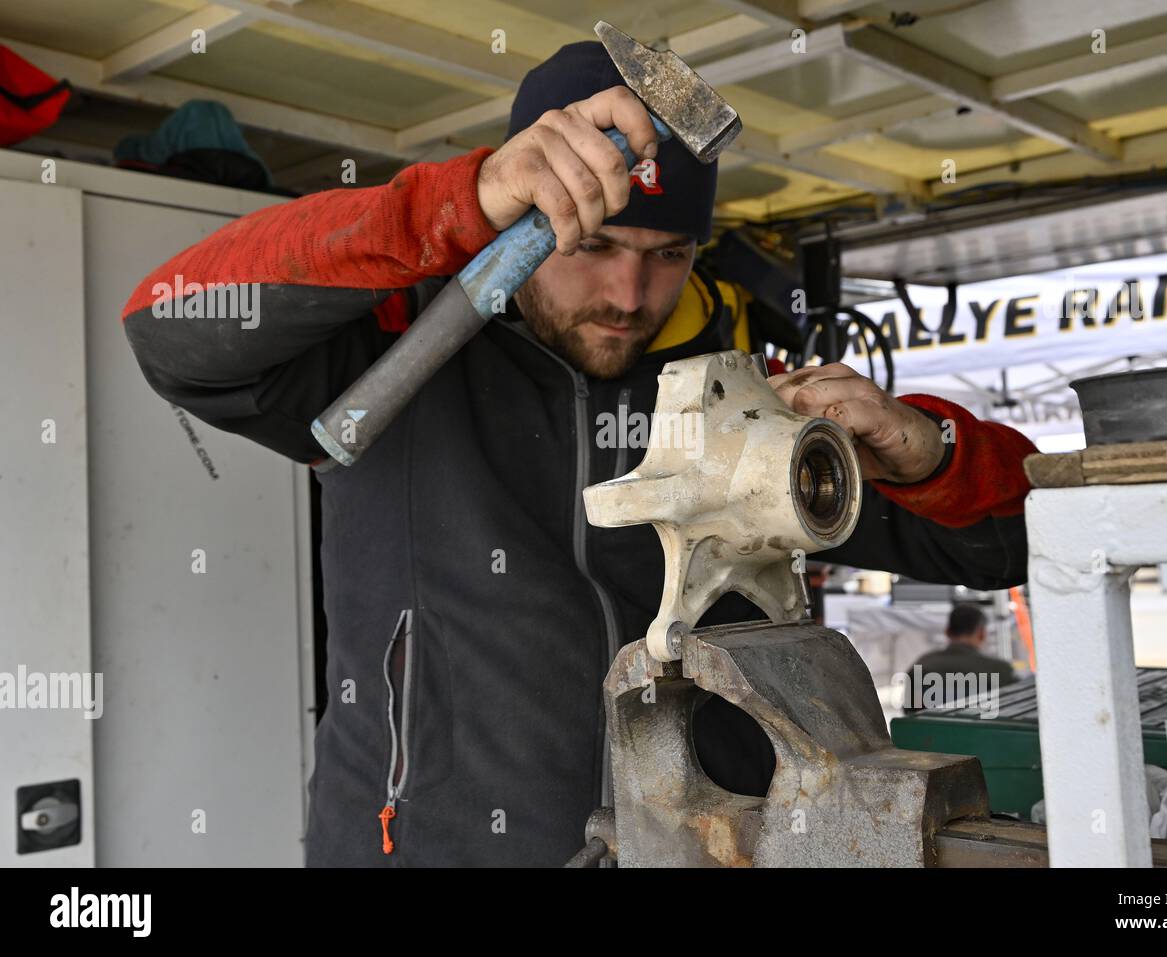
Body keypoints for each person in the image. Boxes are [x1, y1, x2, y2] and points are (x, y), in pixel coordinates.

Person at [120, 40, 1038, 866]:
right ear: (525, 216)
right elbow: (169, 325)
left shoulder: (740, 400)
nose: (628, 292)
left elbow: (1013, 542)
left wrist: (932, 455)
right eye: (593, 244)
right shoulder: (397, 356)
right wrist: (452, 204)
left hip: (701, 850)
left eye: (669, 252)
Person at [902, 603, 1019, 714]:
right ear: (982, 634)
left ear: (947, 632)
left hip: (929, 734)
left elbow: (909, 711)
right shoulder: (1001, 671)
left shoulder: (922, 666)